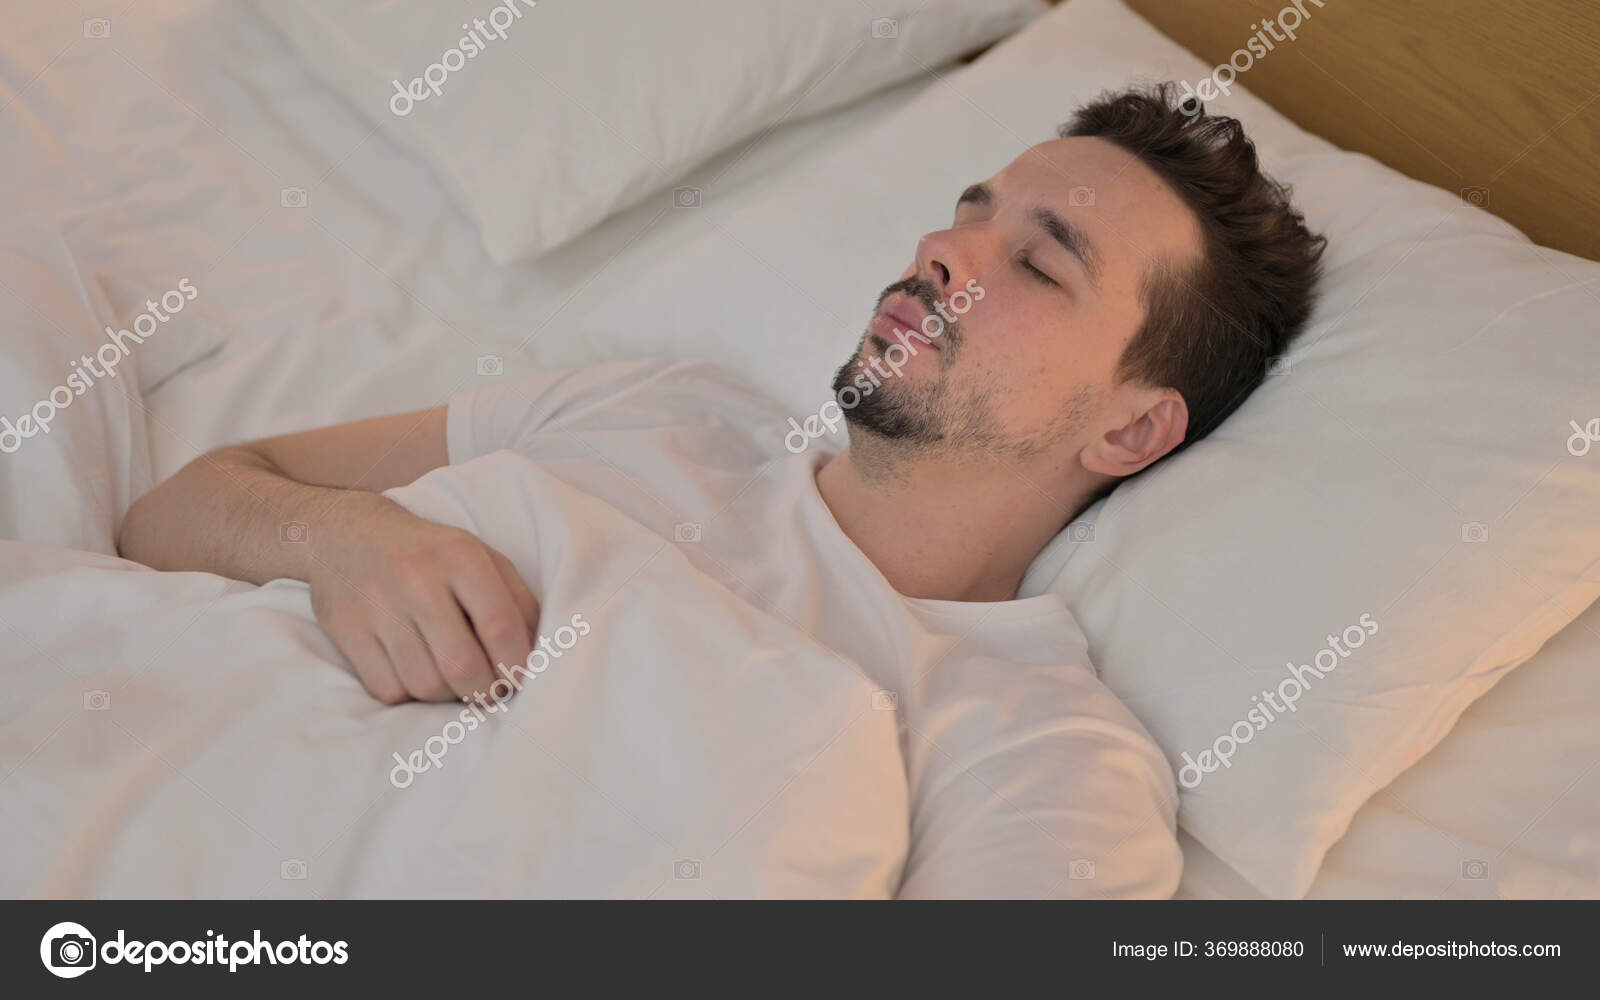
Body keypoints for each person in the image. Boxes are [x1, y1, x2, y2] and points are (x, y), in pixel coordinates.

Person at [118, 84, 1325, 897]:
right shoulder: (657, 408)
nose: (942, 255)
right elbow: (173, 512)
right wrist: (342, 539)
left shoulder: (1039, 752)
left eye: (1038, 262)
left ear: (1130, 428)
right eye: (970, 215)